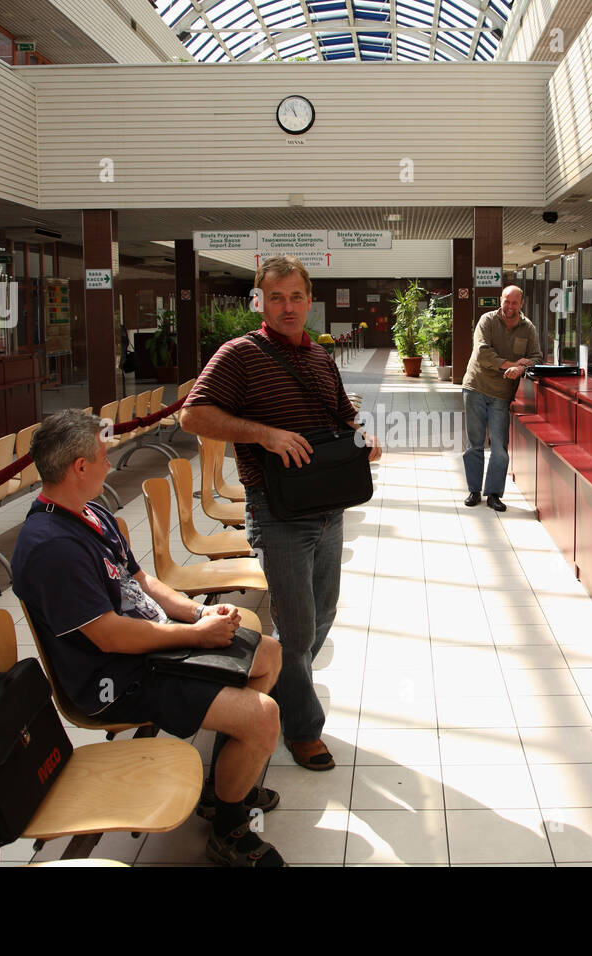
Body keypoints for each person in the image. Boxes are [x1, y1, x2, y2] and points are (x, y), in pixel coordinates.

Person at [11, 409, 287, 867]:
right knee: (264, 718)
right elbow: (109, 636)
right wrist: (195, 637)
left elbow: (143, 580)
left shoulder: (91, 512)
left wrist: (196, 612)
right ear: (79, 467)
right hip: (117, 678)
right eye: (103, 455)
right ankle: (229, 828)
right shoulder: (51, 546)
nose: (109, 462)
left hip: (153, 647)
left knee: (270, 654)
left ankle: (224, 788)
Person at [179, 255, 381, 773]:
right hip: (277, 510)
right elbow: (193, 414)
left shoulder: (317, 357)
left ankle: (270, 690)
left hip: (328, 507)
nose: (287, 307)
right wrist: (264, 434)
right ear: (260, 301)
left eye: (296, 297)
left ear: (308, 301)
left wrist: (363, 437)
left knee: (322, 615)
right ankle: (301, 728)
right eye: (276, 297)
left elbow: (341, 413)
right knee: (295, 629)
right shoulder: (239, 355)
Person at [460, 284, 543, 511]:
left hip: (502, 395)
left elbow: (536, 356)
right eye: (506, 301)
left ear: (521, 304)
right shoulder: (487, 321)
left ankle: (494, 494)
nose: (509, 306)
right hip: (476, 387)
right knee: (474, 444)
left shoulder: (528, 328)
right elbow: (482, 352)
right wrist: (512, 364)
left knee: (500, 448)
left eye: (514, 302)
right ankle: (474, 490)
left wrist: (523, 368)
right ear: (501, 300)